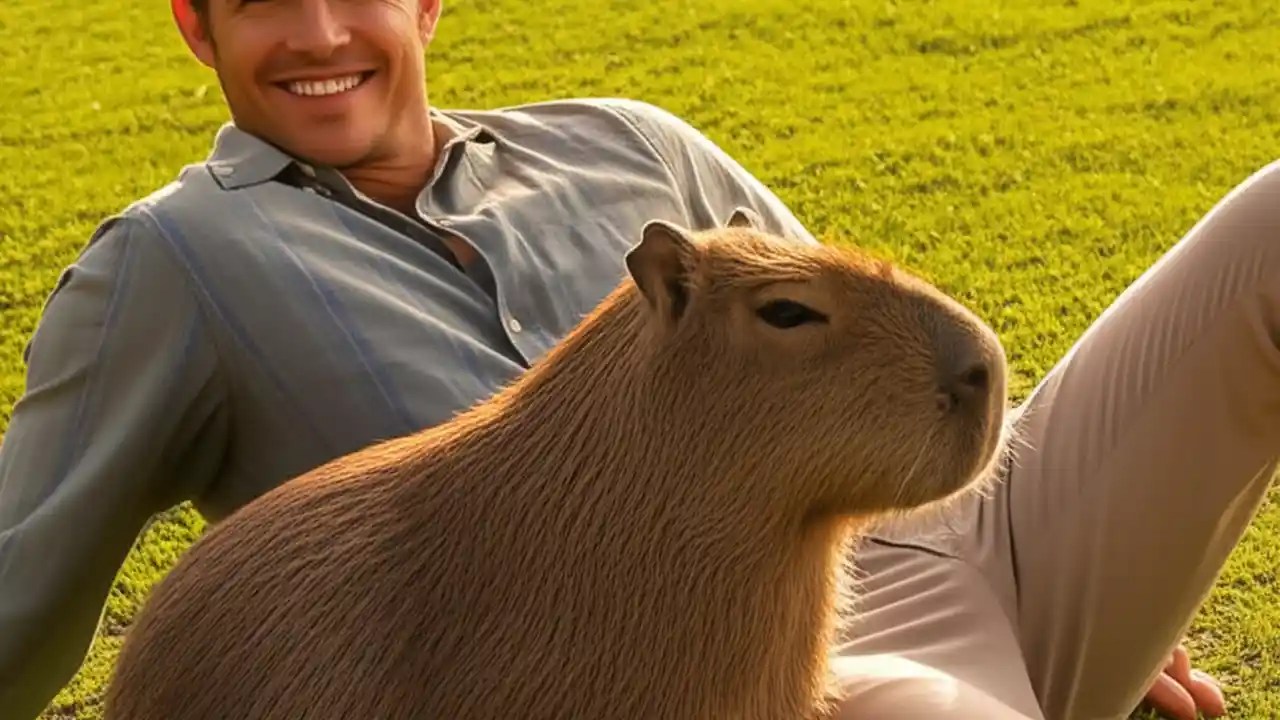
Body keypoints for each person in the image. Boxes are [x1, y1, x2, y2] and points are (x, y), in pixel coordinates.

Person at [0, 0, 1263, 718]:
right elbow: (21, 591)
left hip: (953, 542)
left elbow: (864, 341)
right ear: (196, 25)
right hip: (744, 680)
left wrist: (1100, 548)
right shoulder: (176, 260)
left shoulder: (625, 140)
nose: (322, 31)